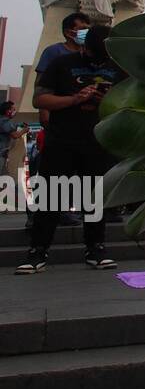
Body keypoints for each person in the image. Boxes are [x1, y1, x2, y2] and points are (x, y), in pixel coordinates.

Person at [18, 24, 122, 274]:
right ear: (85, 47)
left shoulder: (118, 68)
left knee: (96, 200)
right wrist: (75, 99)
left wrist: (104, 101)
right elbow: (40, 99)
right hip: (61, 141)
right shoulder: (61, 63)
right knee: (51, 198)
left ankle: (96, 248)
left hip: (98, 142)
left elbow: (128, 104)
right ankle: (38, 252)